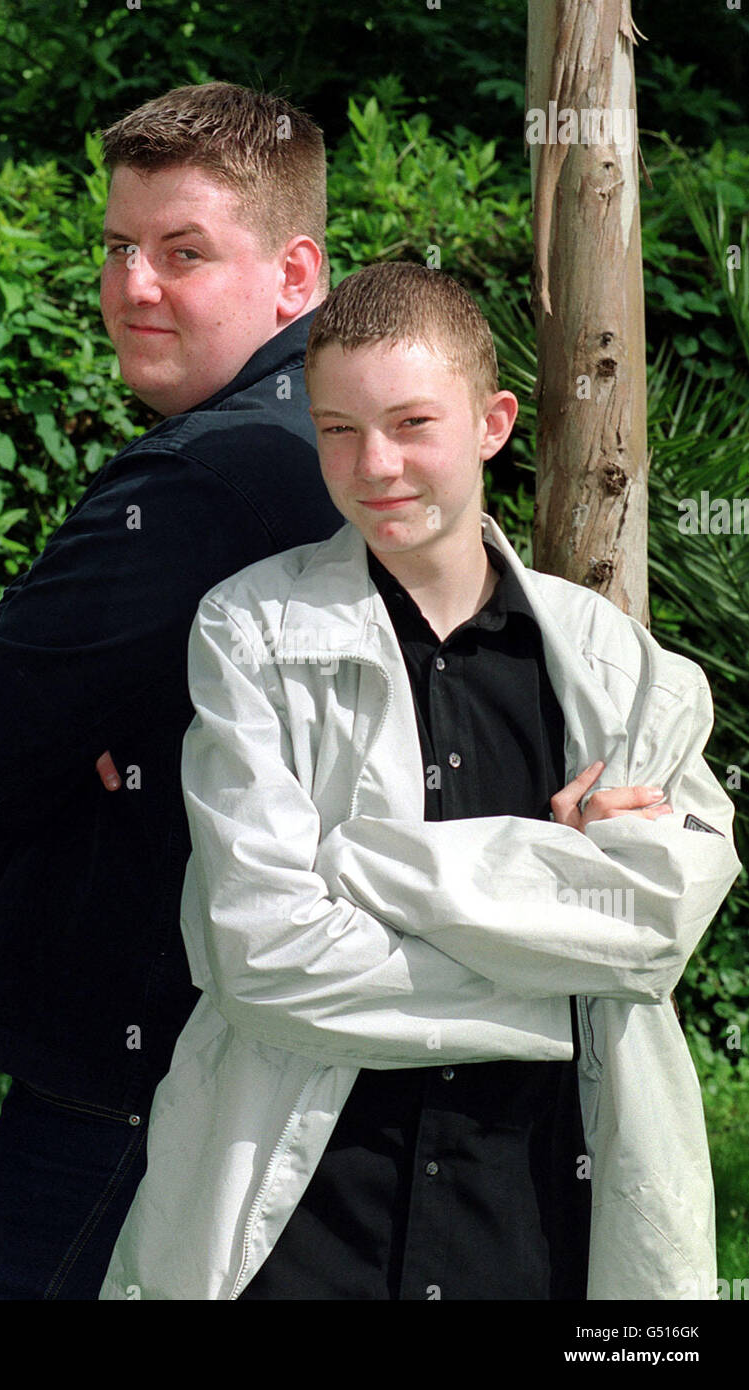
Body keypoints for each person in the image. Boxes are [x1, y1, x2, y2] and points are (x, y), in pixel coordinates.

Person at [98, 261, 742, 1301]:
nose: (374, 464)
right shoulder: (253, 630)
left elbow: (659, 920)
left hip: (536, 1216)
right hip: (301, 1222)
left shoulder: (619, 668)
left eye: (410, 422)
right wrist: (558, 938)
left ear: (491, 422)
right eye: (338, 428)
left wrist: (356, 869)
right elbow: (263, 954)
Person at [0, 82, 343, 1300]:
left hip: (121, 1075)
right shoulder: (333, 435)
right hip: (237, 1053)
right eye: (117, 247)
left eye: (183, 252)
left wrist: (87, 740)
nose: (133, 285)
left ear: (293, 272)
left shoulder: (207, 476)